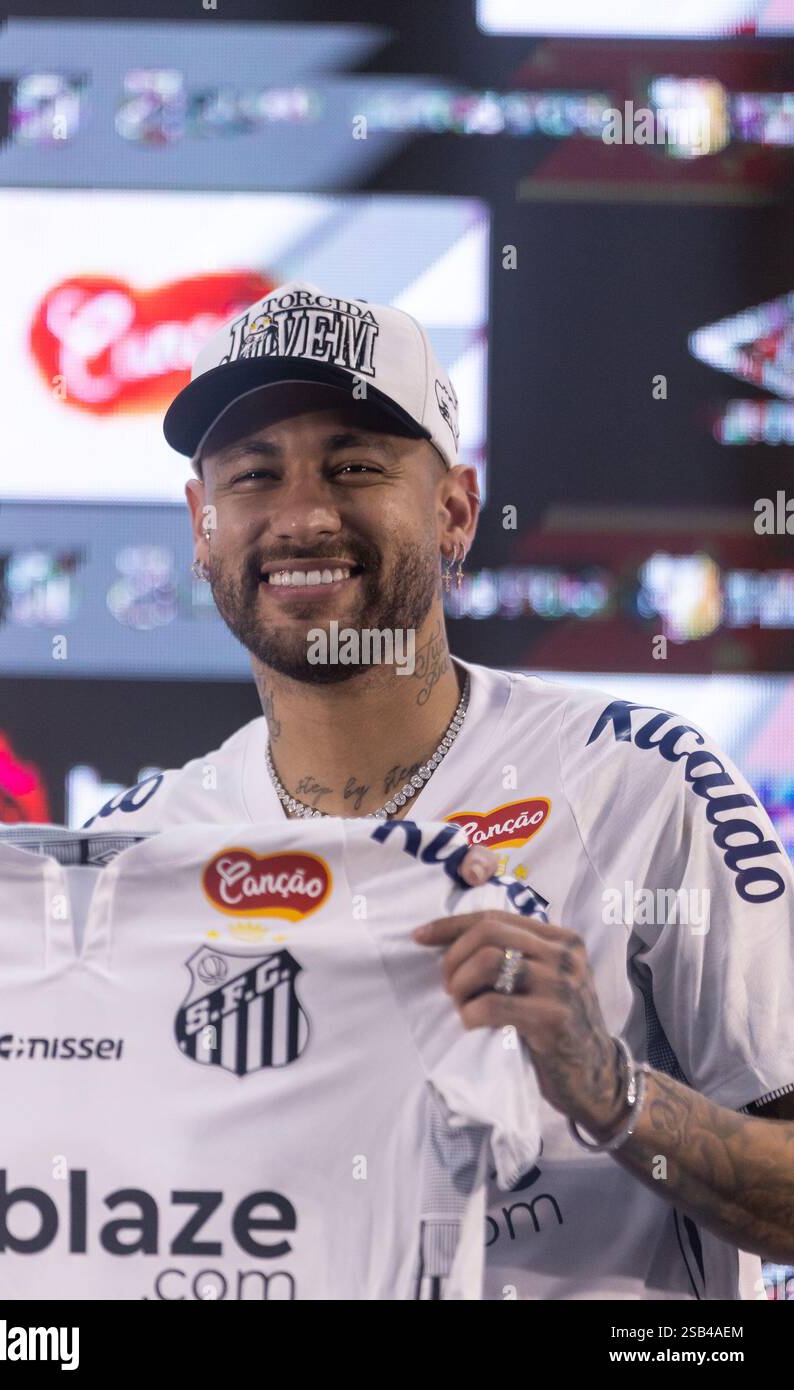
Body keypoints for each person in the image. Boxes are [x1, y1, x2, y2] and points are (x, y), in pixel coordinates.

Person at [85, 279, 794, 1300]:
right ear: (201, 525)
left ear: (454, 508)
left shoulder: (636, 778)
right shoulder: (138, 854)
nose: (301, 515)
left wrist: (609, 1090)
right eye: (252, 476)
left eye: (354, 465)